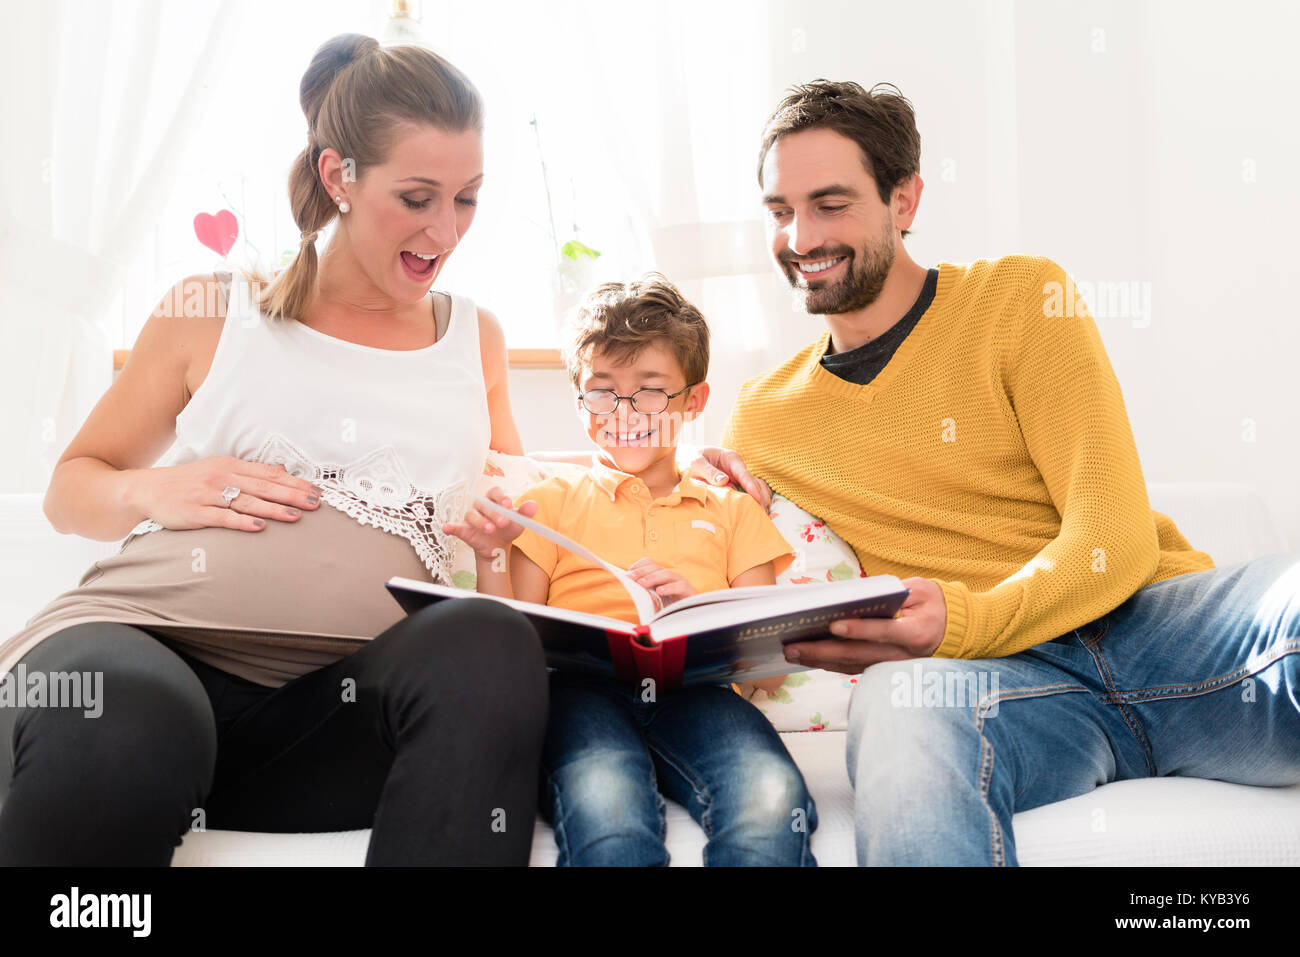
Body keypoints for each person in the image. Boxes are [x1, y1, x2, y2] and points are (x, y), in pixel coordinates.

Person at [0, 34, 560, 866]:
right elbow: (70, 487)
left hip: (333, 720)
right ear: (340, 176)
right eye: (416, 197)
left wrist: (504, 537)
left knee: (488, 641)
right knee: (129, 726)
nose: (446, 230)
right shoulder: (214, 308)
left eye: (467, 198)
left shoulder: (474, 338)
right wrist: (158, 490)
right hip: (148, 650)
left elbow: (523, 529)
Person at [707, 80, 1300, 865]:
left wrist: (958, 618)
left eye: (830, 203)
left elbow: (1111, 543)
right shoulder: (765, 417)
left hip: (1163, 630)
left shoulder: (1020, 299)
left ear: (904, 199)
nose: (800, 235)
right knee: (898, 701)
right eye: (779, 211)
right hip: (997, 692)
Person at [443, 274, 818, 866]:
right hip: (583, 694)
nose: (623, 413)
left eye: (650, 392)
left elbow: (768, 672)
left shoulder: (733, 508)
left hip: (703, 694)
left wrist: (700, 613)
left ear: (694, 401)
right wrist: (492, 552)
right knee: (608, 815)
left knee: (770, 805)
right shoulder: (552, 500)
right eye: (601, 392)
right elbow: (517, 644)